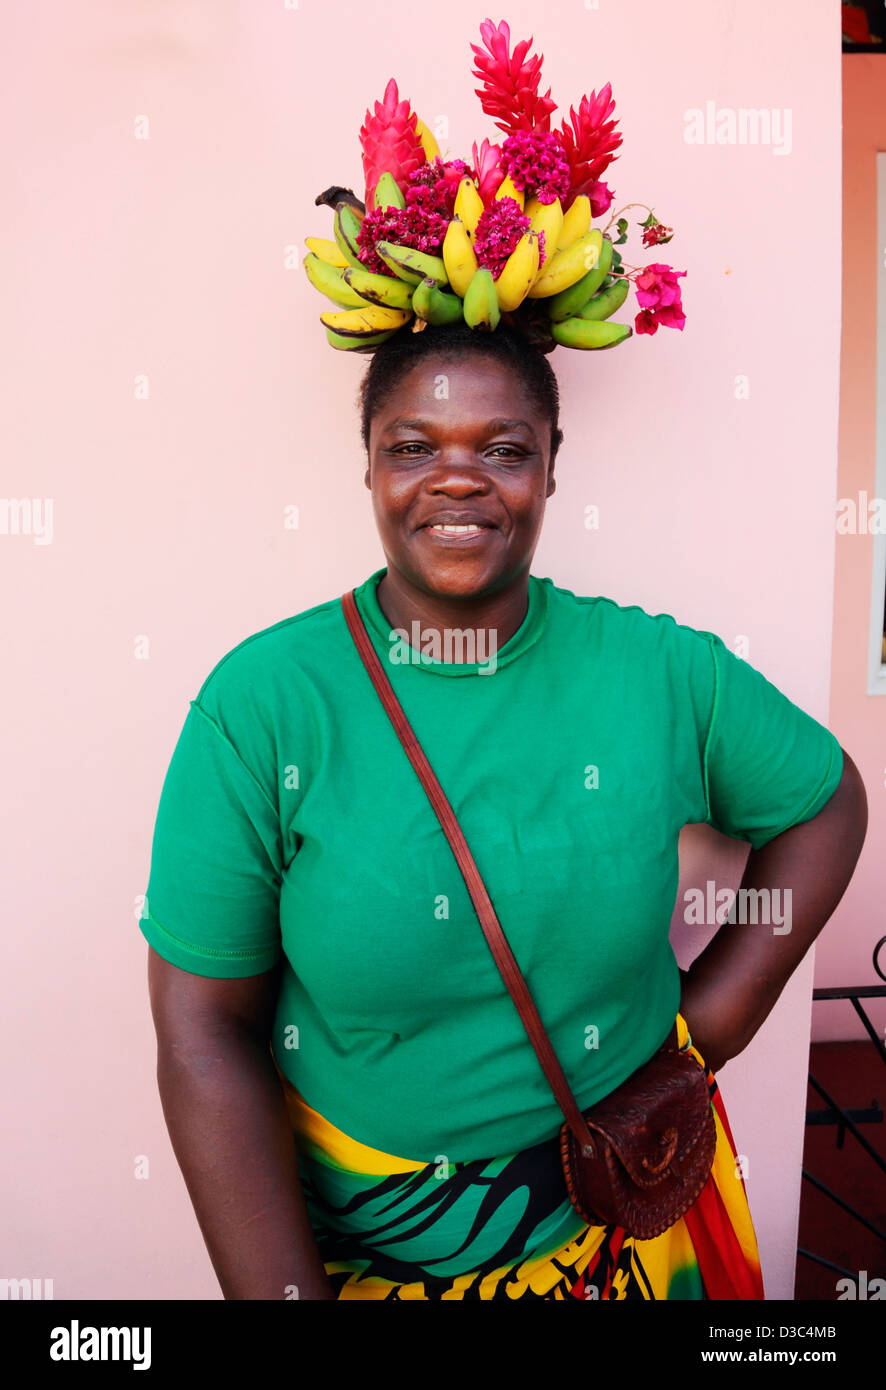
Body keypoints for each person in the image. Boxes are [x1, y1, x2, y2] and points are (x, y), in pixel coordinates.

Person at [141, 319, 867, 1300]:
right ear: (369, 467)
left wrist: (717, 1019)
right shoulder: (266, 705)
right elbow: (203, 1031)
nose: (457, 479)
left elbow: (824, 804)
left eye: (503, 449)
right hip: (374, 1250)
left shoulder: (656, 672)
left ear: (550, 469)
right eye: (413, 447)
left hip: (628, 1220)